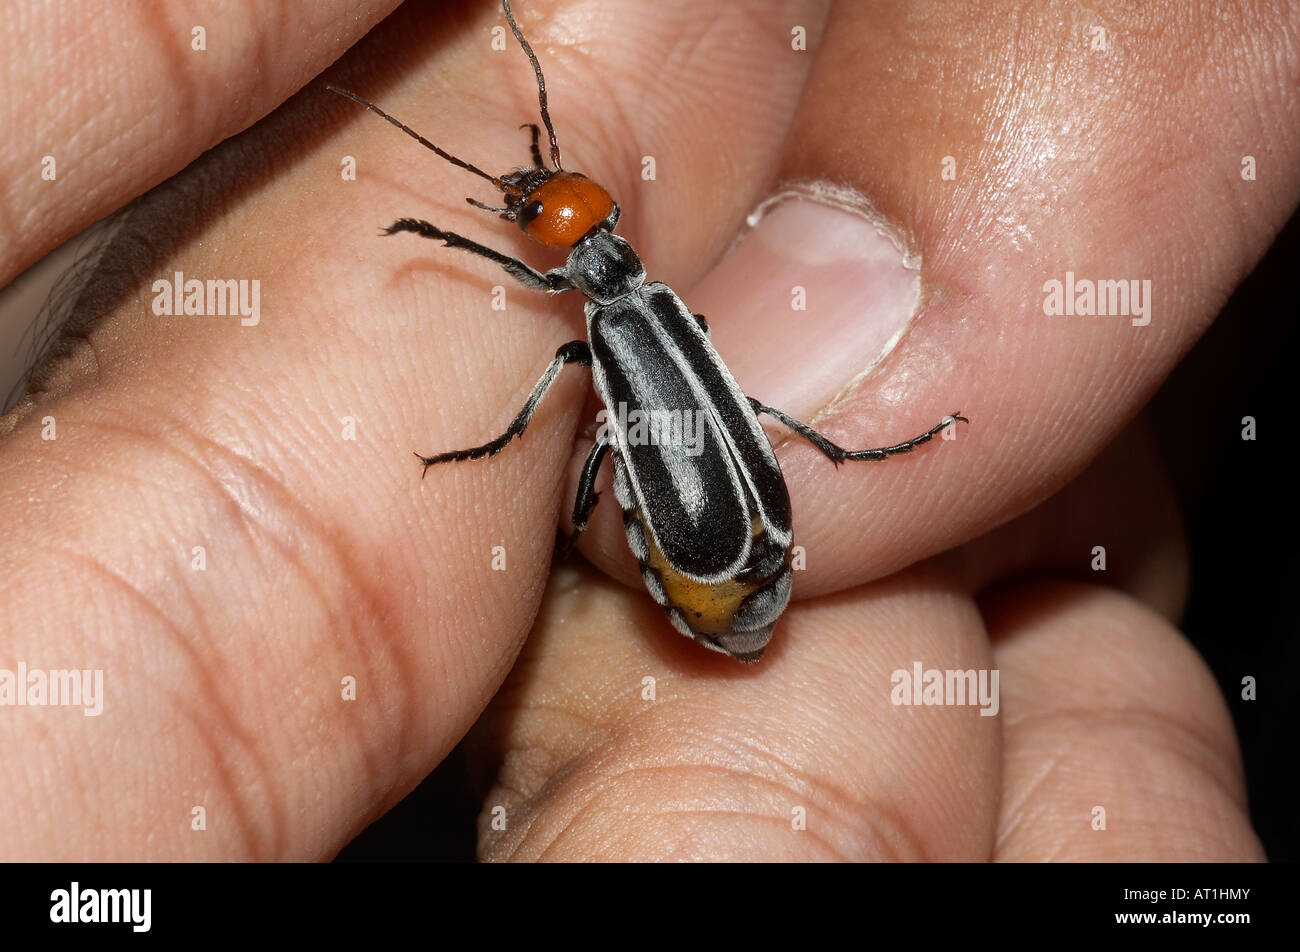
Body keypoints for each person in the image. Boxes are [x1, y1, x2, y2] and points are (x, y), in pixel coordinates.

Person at [0, 0, 1287, 860]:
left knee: (623, 424)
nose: (537, 204)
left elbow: (648, 378)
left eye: (540, 206)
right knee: (657, 426)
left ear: (575, 230)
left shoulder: (614, 313)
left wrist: (471, 308)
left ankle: (797, 476)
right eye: (531, 207)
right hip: (728, 538)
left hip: (722, 540)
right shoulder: (642, 300)